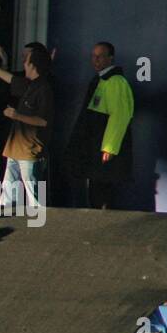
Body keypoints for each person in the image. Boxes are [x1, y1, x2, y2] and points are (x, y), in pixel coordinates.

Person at [0, 45, 54, 214]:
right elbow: (9, 78)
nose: (23, 63)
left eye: (26, 60)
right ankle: (8, 216)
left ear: (33, 65)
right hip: (15, 147)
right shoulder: (28, 85)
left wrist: (17, 115)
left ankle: (41, 225)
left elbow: (43, 121)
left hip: (30, 149)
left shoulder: (43, 89)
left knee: (33, 191)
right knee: (8, 187)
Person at [67, 41, 134, 209]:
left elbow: (119, 116)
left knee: (103, 189)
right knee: (96, 188)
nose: (95, 60)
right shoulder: (100, 80)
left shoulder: (115, 82)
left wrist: (109, 147)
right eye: (93, 56)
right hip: (94, 146)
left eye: (100, 56)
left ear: (110, 58)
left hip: (103, 149)